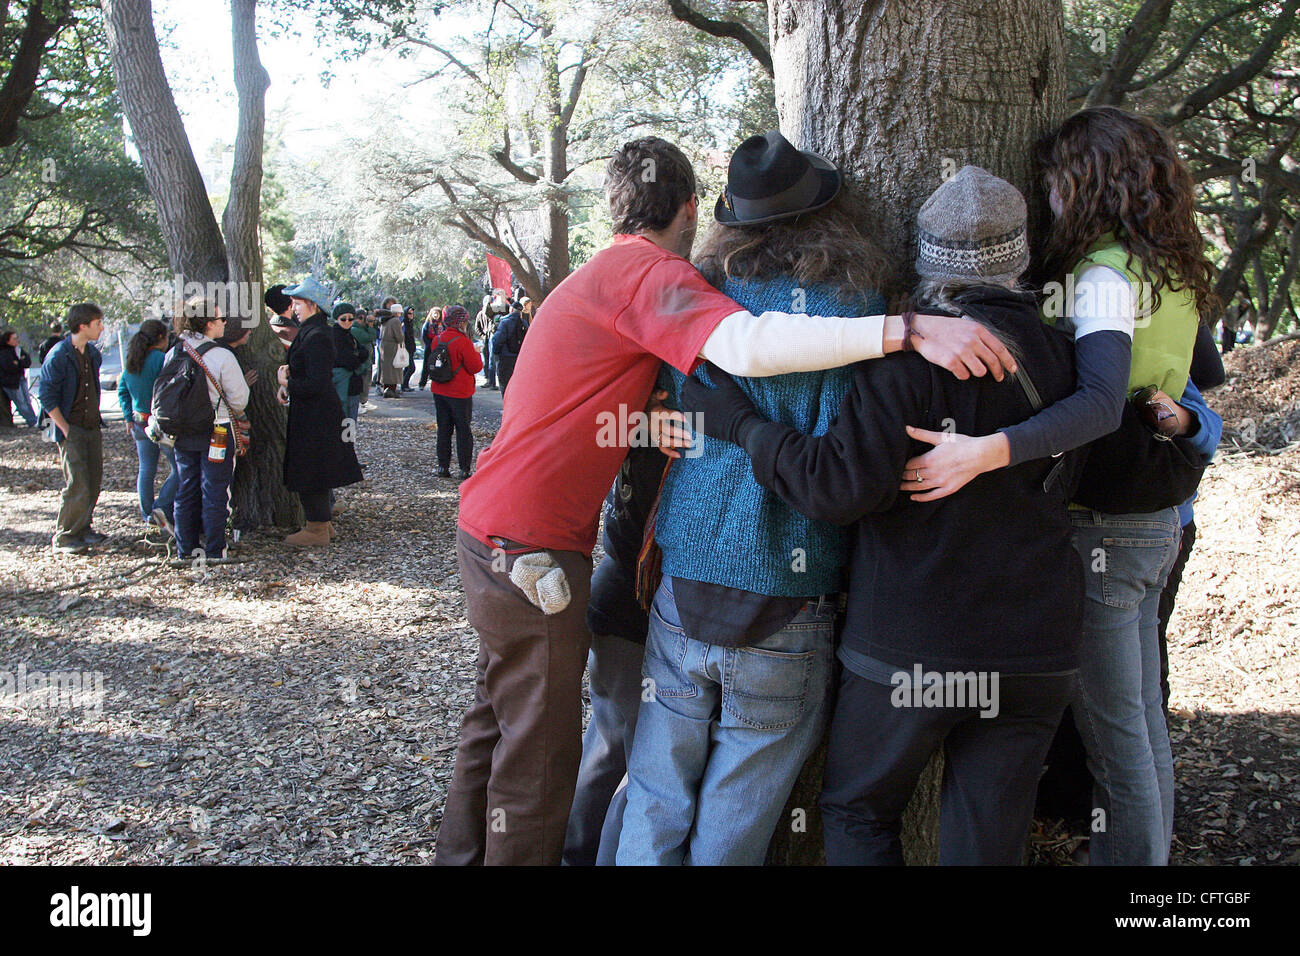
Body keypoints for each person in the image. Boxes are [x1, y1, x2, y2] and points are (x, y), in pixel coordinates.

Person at [433, 135, 1016, 867]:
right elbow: (748, 346)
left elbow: (566, 400)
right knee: (539, 754)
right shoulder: (651, 277)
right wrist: (903, 328)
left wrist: (643, 418)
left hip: (492, 527)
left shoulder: (601, 275)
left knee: (498, 721)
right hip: (538, 548)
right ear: (683, 207)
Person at [682, 166, 1084, 865]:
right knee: (989, 839)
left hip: (913, 643)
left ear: (925, 257)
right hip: (1036, 647)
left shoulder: (906, 365)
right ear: (1021, 257)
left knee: (859, 814)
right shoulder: (1076, 359)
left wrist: (742, 425)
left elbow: (837, 490)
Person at [899, 108, 1217, 865]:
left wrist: (989, 451)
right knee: (1138, 724)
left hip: (1107, 524)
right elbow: (1197, 378)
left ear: (1087, 183)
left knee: (1117, 739)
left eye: (1053, 185)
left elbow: (1102, 403)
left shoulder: (1107, 275)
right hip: (1155, 517)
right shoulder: (1167, 264)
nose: (1050, 201)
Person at [616, 131, 890, 865]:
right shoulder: (856, 309)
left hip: (686, 579)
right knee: (736, 822)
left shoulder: (699, 297)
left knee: (655, 790)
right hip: (788, 595)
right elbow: (840, 458)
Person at [278, 277, 364, 547]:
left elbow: (316, 382)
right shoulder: (313, 332)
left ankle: (316, 529)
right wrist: (289, 384)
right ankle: (322, 524)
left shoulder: (317, 335)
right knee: (314, 468)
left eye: (298, 303)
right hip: (313, 411)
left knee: (311, 469)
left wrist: (286, 383)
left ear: (312, 305)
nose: (294, 308)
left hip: (315, 415)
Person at [167, 295, 249, 563]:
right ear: (209, 323)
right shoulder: (222, 355)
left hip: (182, 432)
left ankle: (185, 549)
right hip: (218, 431)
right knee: (216, 489)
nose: (225, 323)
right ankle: (215, 550)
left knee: (186, 487)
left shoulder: (174, 352)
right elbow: (239, 400)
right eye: (221, 318)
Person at [40, 304, 107, 554]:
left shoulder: (92, 354)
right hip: (72, 429)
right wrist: (65, 429)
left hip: (91, 427)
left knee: (93, 479)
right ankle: (66, 536)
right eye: (97, 323)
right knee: (77, 482)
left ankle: (83, 528)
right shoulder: (59, 355)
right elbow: (46, 397)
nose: (101, 327)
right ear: (82, 326)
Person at [117, 319, 178, 531]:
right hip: (160, 423)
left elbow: (122, 390)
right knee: (179, 468)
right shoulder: (162, 359)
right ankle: (161, 506)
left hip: (138, 420)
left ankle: (146, 513)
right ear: (162, 338)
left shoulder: (133, 361)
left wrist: (127, 416)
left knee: (146, 469)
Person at [428, 305, 483, 479]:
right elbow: (475, 366)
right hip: (460, 392)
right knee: (463, 430)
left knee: (443, 429)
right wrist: (477, 353)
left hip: (440, 389)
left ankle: (442, 467)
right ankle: (464, 469)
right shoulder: (463, 342)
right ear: (462, 322)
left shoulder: (438, 339)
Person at [330, 302, 366, 424]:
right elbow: (347, 359)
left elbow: (364, 353)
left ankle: (348, 442)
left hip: (352, 385)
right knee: (343, 419)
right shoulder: (334, 336)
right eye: (343, 319)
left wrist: (356, 358)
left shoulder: (350, 335)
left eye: (350, 319)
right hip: (343, 385)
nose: (347, 322)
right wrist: (357, 358)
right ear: (336, 319)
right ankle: (345, 442)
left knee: (350, 420)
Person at [490, 299, 531, 397]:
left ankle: (507, 407)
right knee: (517, 386)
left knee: (505, 385)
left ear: (511, 310)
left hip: (506, 357)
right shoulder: (524, 323)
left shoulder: (505, 322)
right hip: (519, 358)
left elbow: (497, 340)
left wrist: (496, 352)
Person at [0, 329, 37, 427]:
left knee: (27, 401)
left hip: (21, 378)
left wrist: (19, 363)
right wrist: (20, 363)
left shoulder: (19, 350)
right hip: (11, 382)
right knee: (21, 403)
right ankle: (32, 421)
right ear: (8, 341)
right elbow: (9, 367)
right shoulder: (4, 353)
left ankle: (34, 421)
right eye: (14, 338)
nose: (17, 340)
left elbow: (27, 362)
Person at [377, 306, 405, 399]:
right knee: (394, 368)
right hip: (393, 346)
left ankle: (386, 388)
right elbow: (399, 337)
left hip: (383, 346)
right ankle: (391, 390)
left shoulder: (384, 321)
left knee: (386, 368)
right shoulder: (395, 321)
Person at [351, 309, 377, 406]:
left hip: (366, 361)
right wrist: (370, 326)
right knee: (364, 383)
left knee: (366, 382)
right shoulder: (356, 330)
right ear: (361, 318)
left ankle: (363, 401)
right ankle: (361, 402)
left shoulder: (361, 329)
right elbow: (370, 337)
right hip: (363, 363)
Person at [419, 307, 443, 388]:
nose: (436, 315)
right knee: (426, 365)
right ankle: (422, 383)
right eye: (434, 313)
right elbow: (424, 336)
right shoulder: (427, 324)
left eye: (437, 313)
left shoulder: (442, 324)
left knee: (439, 366)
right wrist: (430, 345)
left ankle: (438, 383)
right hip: (429, 348)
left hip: (439, 349)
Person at [401, 306, 417, 391]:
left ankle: (404, 385)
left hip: (410, 348)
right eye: (409, 313)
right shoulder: (404, 323)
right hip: (406, 348)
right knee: (411, 368)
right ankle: (404, 385)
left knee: (408, 368)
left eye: (412, 313)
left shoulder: (410, 323)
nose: (411, 315)